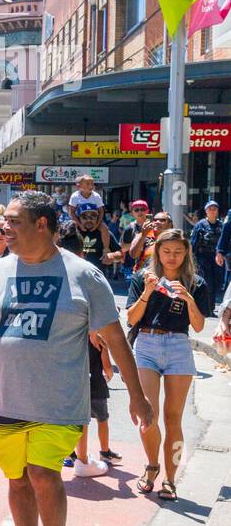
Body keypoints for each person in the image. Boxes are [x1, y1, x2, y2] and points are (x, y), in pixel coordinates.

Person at [0, 191, 152, 526]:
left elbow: (115, 338)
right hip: (6, 401)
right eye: (3, 222)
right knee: (18, 479)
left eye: (13, 221)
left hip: (60, 403)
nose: (3, 228)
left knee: (44, 474)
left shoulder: (83, 275)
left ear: (42, 224)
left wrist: (137, 395)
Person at [126, 228, 212, 502]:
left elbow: (198, 326)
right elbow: (131, 318)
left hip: (178, 346)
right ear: (157, 253)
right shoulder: (143, 278)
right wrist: (148, 292)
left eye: (177, 251)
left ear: (186, 252)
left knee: (174, 418)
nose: (172, 257)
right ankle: (152, 466)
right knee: (147, 415)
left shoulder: (196, 284)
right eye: (166, 252)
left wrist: (188, 299)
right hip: (148, 343)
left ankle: (170, 479)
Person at [56, 224, 120, 476]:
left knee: (66, 411)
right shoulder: (88, 274)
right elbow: (107, 325)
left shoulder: (44, 269)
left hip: (56, 354)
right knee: (81, 412)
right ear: (82, 252)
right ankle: (80, 458)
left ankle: (71, 455)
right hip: (81, 356)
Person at [192, 201, 224, 304]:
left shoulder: (221, 225)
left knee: (216, 282)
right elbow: (193, 243)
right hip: (203, 258)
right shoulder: (200, 225)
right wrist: (192, 259)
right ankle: (205, 305)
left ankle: (212, 305)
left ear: (217, 211)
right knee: (206, 281)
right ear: (206, 211)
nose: (212, 211)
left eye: (214, 209)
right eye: (210, 209)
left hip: (217, 258)